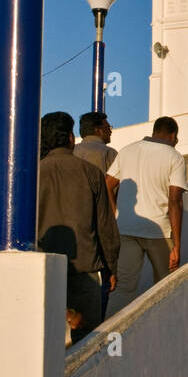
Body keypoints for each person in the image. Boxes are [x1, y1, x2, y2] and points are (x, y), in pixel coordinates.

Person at [36, 111, 120, 345]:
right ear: (71, 138)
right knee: (86, 341)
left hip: (44, 269)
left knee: (46, 340)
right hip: (86, 269)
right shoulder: (91, 173)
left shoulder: (33, 175)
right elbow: (105, 225)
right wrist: (111, 266)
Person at [105, 117, 186, 317]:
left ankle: (109, 337)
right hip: (158, 230)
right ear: (173, 135)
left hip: (125, 228)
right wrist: (176, 244)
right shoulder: (174, 157)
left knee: (123, 287)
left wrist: (117, 213)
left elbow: (106, 185)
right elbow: (175, 201)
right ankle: (164, 328)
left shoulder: (127, 150)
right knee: (166, 284)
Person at [76, 110, 119, 315]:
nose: (110, 130)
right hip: (99, 226)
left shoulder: (72, 152)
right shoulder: (109, 154)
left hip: (72, 227)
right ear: (98, 130)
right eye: (107, 126)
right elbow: (116, 192)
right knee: (103, 278)